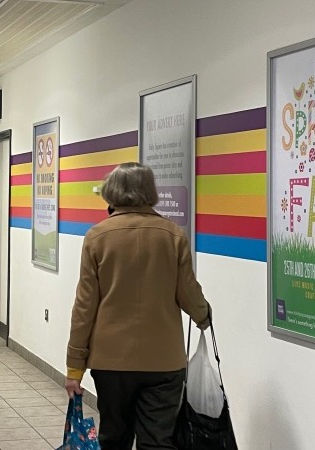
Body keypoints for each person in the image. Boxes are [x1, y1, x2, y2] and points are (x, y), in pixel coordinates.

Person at [65, 162, 211, 450]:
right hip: (164, 361)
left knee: (114, 438)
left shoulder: (98, 237)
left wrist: (74, 367)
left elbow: (85, 306)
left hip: (111, 361)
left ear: (111, 192)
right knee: (158, 441)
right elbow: (188, 293)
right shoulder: (172, 235)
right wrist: (203, 315)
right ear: (150, 191)